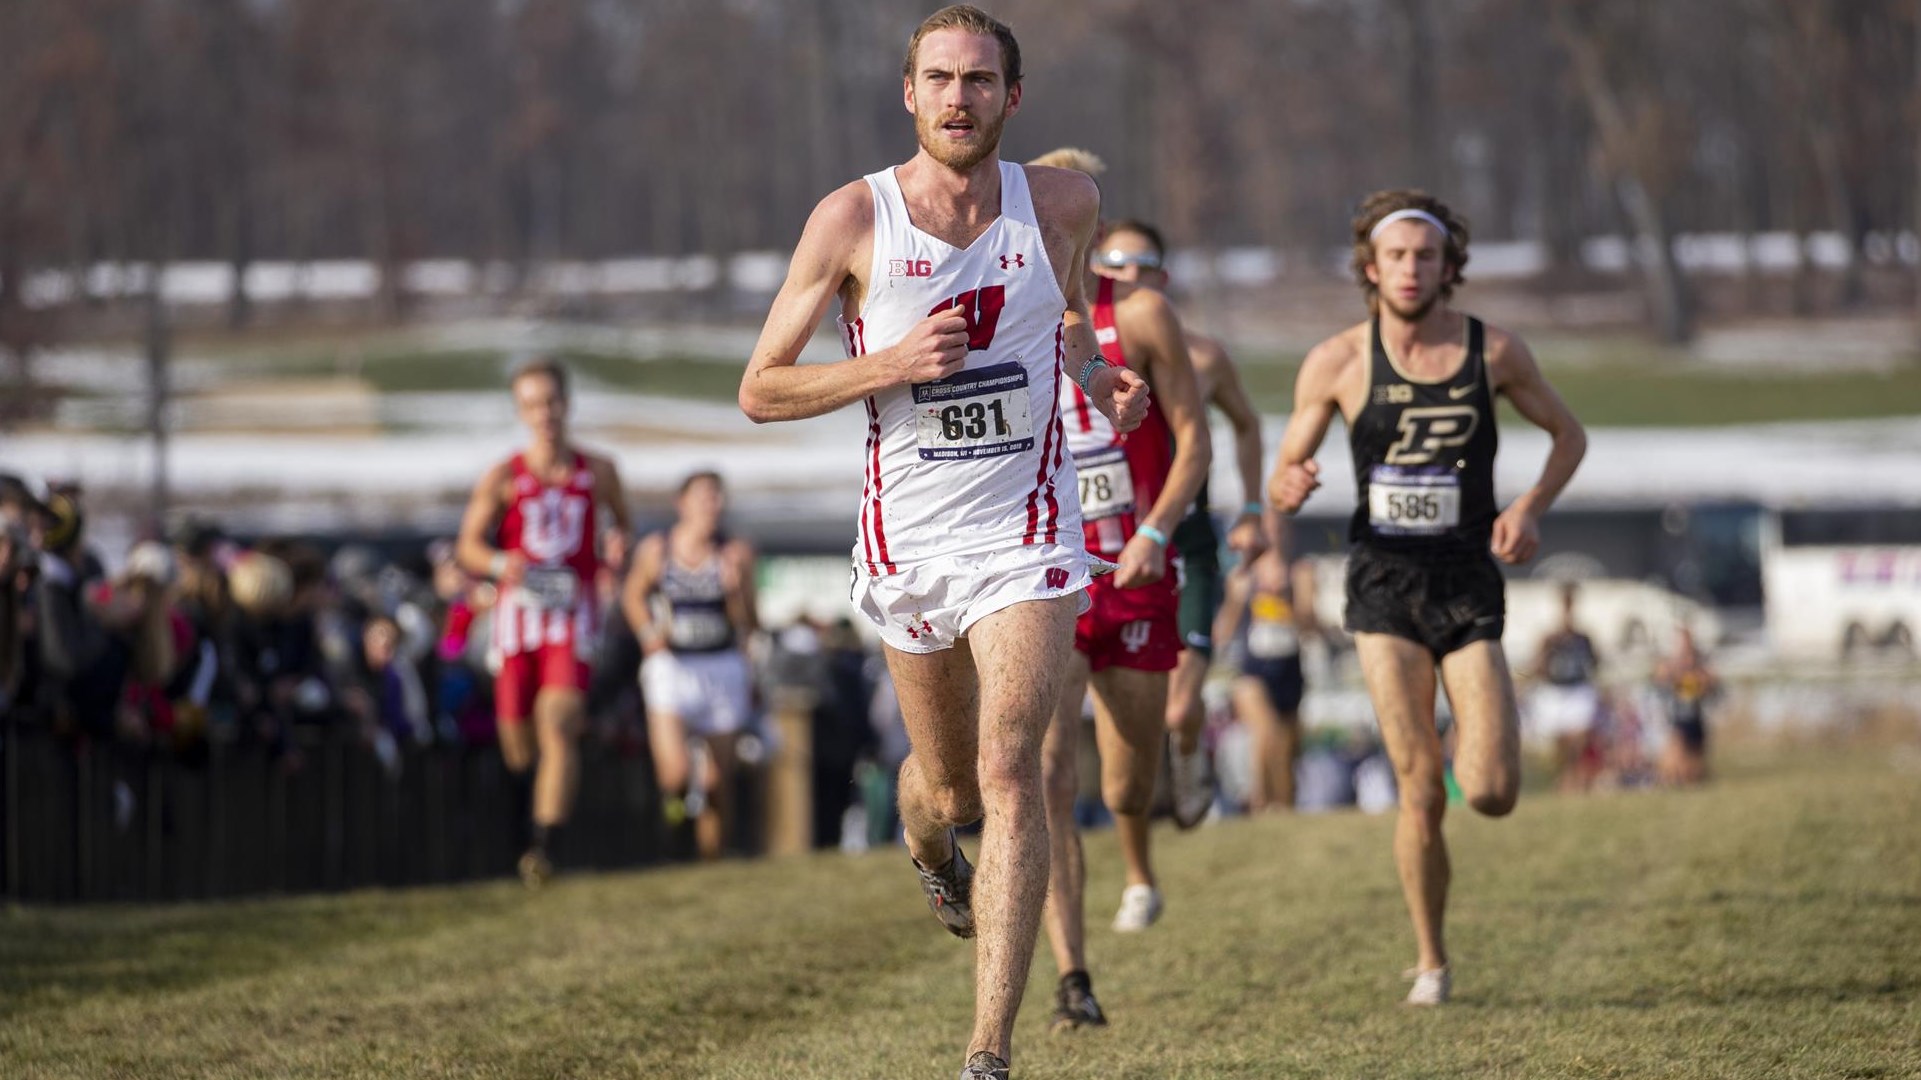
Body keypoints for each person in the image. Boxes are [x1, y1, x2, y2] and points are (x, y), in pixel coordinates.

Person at [736, 8, 1148, 1077]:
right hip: (908, 541)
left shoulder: (1063, 201)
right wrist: (891, 363)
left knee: (1014, 768)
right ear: (907, 94)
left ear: (1014, 97)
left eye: (978, 80)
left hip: (1029, 529)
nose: (957, 98)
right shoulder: (852, 220)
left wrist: (1098, 378)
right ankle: (927, 844)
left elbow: (1061, 313)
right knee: (953, 790)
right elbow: (761, 388)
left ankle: (987, 1051)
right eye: (938, 79)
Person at [1270, 189, 1587, 1006]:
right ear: (1369, 269)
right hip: (1381, 584)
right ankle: (1431, 961)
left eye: (1425, 256)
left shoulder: (1495, 353)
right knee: (1417, 787)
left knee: (1487, 790)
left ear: (1450, 267)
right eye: (1395, 256)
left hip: (1465, 580)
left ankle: (1474, 736)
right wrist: (1290, 479)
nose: (1410, 270)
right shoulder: (1336, 360)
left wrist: (1527, 507)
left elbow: (1568, 434)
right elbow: (1283, 471)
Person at [1017, 147, 1211, 1033]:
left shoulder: (1139, 314)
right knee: (1047, 774)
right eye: (1035, 210)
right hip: (1041, 576)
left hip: (1131, 566)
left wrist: (1155, 532)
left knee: (1127, 784)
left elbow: (1195, 442)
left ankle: (1161, 782)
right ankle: (1073, 977)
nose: (1050, 227)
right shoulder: (997, 309)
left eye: (1068, 214)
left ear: (1090, 220)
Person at [1084, 214, 1271, 827]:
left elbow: (1244, 426)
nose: (1129, 278)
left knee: (1179, 705)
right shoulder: (1092, 346)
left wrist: (1249, 508)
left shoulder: (1205, 356)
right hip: (1109, 539)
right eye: (1116, 267)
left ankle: (1189, 752)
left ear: (1163, 279)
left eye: (1143, 270)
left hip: (1184, 538)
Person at [457, 356, 630, 887]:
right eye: (533, 404)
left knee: (557, 724)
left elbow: (621, 525)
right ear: (521, 411)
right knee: (517, 739)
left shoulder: (597, 471)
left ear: (566, 403)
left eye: (551, 402)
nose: (545, 414)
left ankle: (544, 847)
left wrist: (614, 552)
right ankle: (521, 824)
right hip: (517, 622)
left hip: (571, 621)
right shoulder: (504, 476)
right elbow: (467, 545)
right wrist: (498, 563)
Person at [620, 470, 759, 860]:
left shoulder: (736, 553)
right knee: (676, 774)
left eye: (717, 497)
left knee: (718, 782)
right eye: (702, 497)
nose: (710, 506)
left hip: (721, 665)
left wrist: (735, 592)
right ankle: (673, 824)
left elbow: (750, 620)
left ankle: (710, 860)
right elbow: (632, 595)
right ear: (682, 504)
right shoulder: (657, 549)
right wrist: (648, 634)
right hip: (673, 667)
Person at [1214, 519, 1318, 812]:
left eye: (1279, 530)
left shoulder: (1301, 572)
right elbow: (1223, 630)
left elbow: (1310, 625)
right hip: (1251, 669)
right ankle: (1260, 803)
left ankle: (1284, 807)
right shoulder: (1241, 575)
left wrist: (1286, 597)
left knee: (1287, 746)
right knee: (1266, 733)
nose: (1273, 537)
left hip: (1289, 667)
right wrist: (1240, 597)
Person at [1529, 581, 1602, 792]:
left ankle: (1576, 778)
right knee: (1560, 744)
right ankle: (1564, 779)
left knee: (1580, 737)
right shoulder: (1549, 638)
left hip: (1577, 689)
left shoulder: (1583, 637)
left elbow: (1595, 662)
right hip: (1555, 691)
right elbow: (1537, 665)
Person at [1656, 626, 1716, 786]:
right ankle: (1671, 777)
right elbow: (1660, 677)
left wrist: (1699, 680)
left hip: (1695, 717)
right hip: (1677, 717)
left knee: (1696, 770)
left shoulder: (1699, 662)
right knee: (1676, 761)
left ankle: (1688, 777)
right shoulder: (1670, 664)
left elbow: (1709, 683)